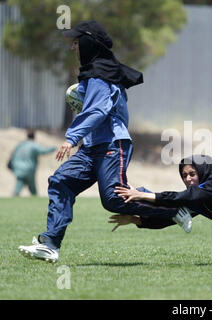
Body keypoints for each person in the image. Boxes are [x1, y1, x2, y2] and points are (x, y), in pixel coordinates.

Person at [18, 21, 191, 263]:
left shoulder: (100, 75)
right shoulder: (95, 74)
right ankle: (50, 244)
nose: (73, 48)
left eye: (76, 43)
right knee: (61, 181)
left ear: (88, 43)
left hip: (112, 145)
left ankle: (173, 207)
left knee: (114, 199)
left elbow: (98, 111)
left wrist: (71, 138)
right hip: (91, 148)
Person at [8, 129, 56, 196]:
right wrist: (53, 148)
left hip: (18, 168)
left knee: (20, 184)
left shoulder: (21, 145)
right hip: (29, 169)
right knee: (31, 186)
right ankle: (34, 197)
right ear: (34, 137)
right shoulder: (34, 145)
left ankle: (16, 196)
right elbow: (43, 151)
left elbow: (13, 155)